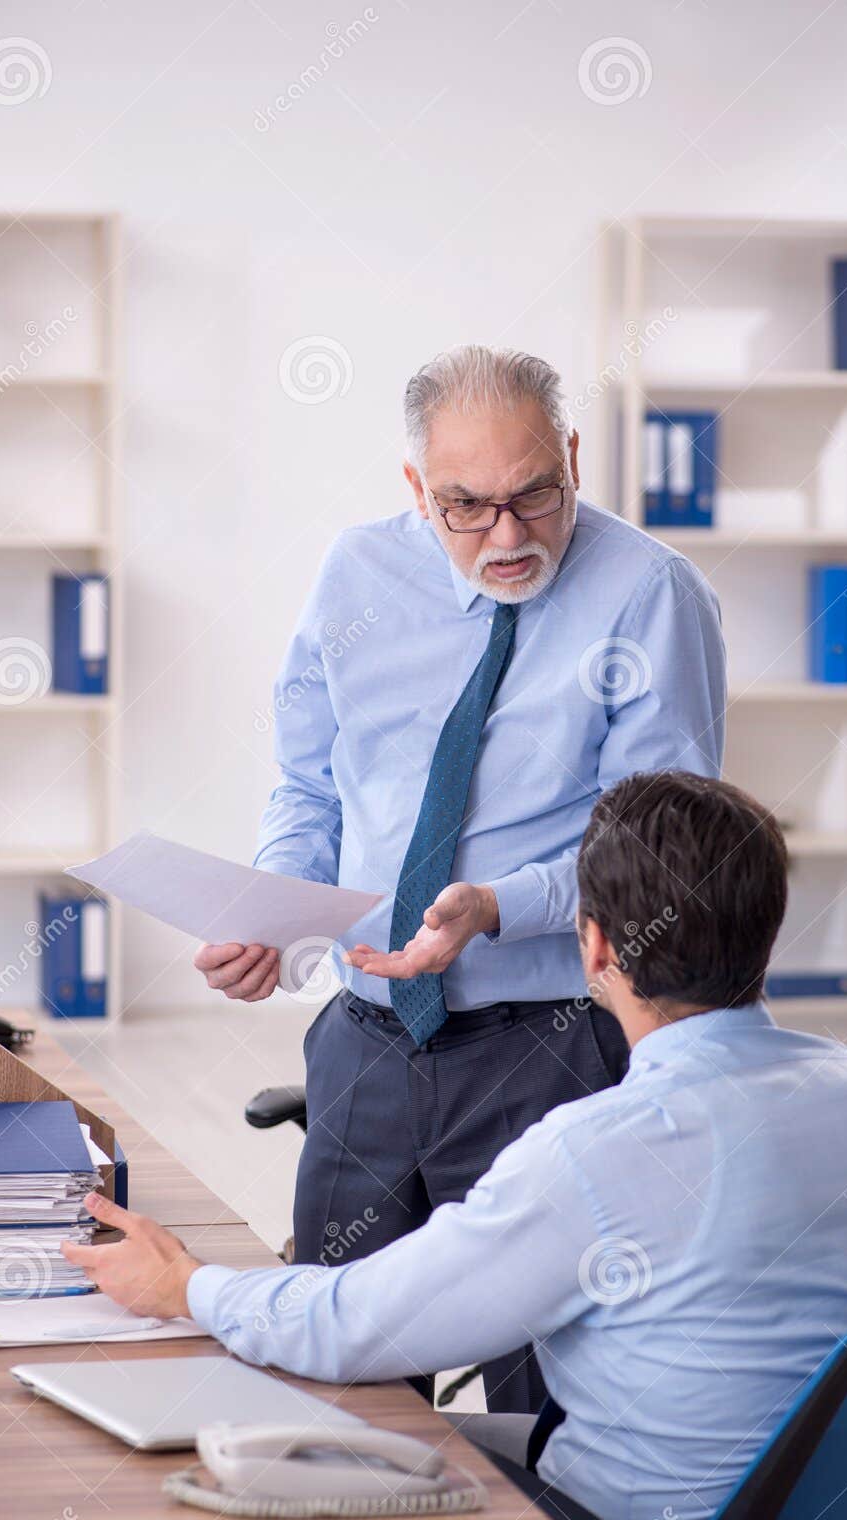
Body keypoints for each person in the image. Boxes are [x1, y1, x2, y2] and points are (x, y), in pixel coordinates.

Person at [65, 770, 847, 1520]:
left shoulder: (598, 1153)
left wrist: (186, 1286)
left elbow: (353, 1326)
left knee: (313, 1460)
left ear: (596, 947)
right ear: (768, 928)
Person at [190, 345, 726, 1412]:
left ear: (573, 457)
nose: (509, 535)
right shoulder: (357, 573)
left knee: (543, 1401)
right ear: (414, 490)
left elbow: (657, 849)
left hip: (547, 1044)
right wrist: (275, 903)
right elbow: (309, 782)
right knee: (339, 1370)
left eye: (535, 494)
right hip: (365, 1043)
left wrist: (499, 906)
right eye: (467, 507)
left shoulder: (650, 594)